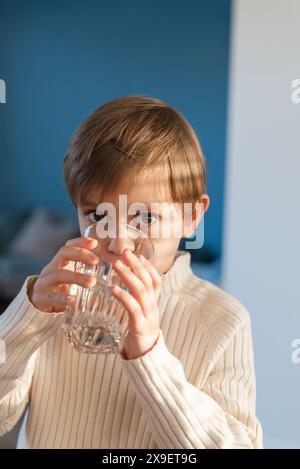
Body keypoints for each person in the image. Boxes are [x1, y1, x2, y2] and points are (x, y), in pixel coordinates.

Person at [0, 96, 263, 448]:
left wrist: (149, 355)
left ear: (192, 216)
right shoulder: (54, 306)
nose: (119, 243)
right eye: (97, 215)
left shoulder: (222, 322)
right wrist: (25, 319)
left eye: (147, 218)